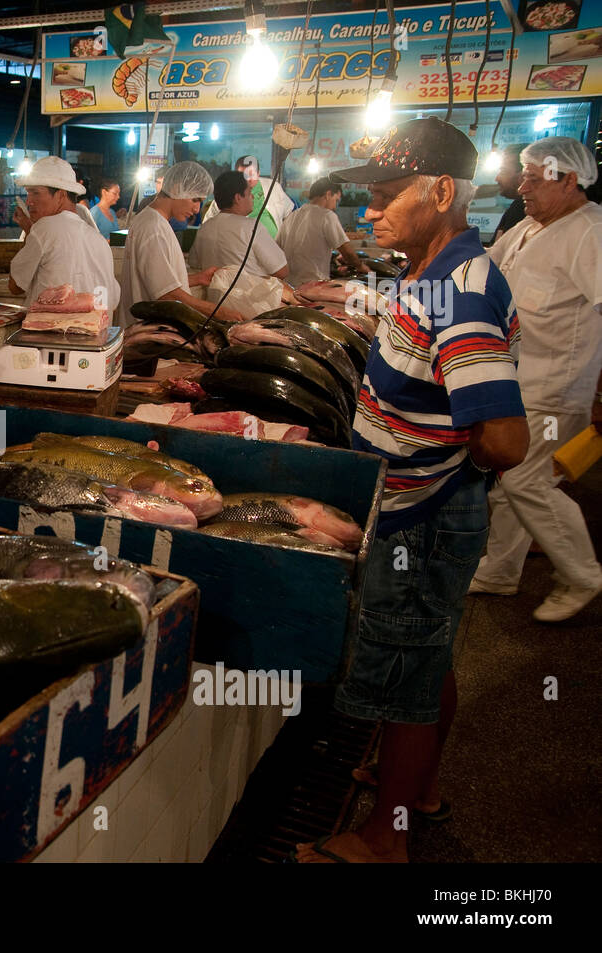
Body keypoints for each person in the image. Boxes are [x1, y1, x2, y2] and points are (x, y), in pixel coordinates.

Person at [295, 118, 529, 864]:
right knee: (427, 657)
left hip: (425, 515)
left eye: (388, 196)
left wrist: (442, 479)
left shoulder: (460, 291)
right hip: (420, 505)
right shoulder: (424, 271)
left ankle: (383, 837)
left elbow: (505, 439)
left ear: (441, 191)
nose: (370, 211)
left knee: (401, 669)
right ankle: (415, 784)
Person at [469, 137, 602, 621]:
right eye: (521, 175)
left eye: (532, 177)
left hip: (558, 387)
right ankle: (500, 572)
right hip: (517, 382)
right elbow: (481, 268)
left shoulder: (591, 232)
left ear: (568, 179)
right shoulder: (528, 227)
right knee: (508, 481)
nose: (521, 186)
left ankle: (582, 575)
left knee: (528, 482)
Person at [117, 161, 243, 327]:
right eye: (195, 200)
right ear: (177, 189)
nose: (197, 209)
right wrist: (217, 311)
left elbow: (156, 279)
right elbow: (166, 295)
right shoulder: (153, 228)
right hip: (150, 334)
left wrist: (198, 279)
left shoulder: (152, 221)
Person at [7, 156, 120, 312]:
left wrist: (29, 230)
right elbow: (111, 300)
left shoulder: (44, 228)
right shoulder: (98, 239)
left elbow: (15, 286)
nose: (29, 201)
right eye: (28, 194)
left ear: (60, 195)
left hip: (52, 333)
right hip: (94, 332)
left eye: (35, 193)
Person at [188, 170, 289, 280]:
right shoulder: (251, 228)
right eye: (250, 193)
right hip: (251, 296)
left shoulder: (205, 228)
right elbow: (282, 271)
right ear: (238, 198)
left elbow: (194, 264)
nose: (253, 197)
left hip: (213, 297)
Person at [276, 177, 367, 286]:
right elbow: (347, 251)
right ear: (328, 194)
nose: (335, 206)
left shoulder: (292, 216)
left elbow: (277, 249)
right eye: (336, 200)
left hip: (289, 286)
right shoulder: (327, 216)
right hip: (313, 286)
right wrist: (361, 267)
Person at [202, 155, 294, 238]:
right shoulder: (228, 191)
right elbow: (209, 221)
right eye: (243, 176)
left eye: (252, 175)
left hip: (275, 243)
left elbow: (289, 214)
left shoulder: (273, 187)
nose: (248, 179)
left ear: (258, 173)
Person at [492, 144, 529, 242]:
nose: (497, 178)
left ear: (523, 175)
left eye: (503, 171)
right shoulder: (515, 207)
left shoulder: (521, 209)